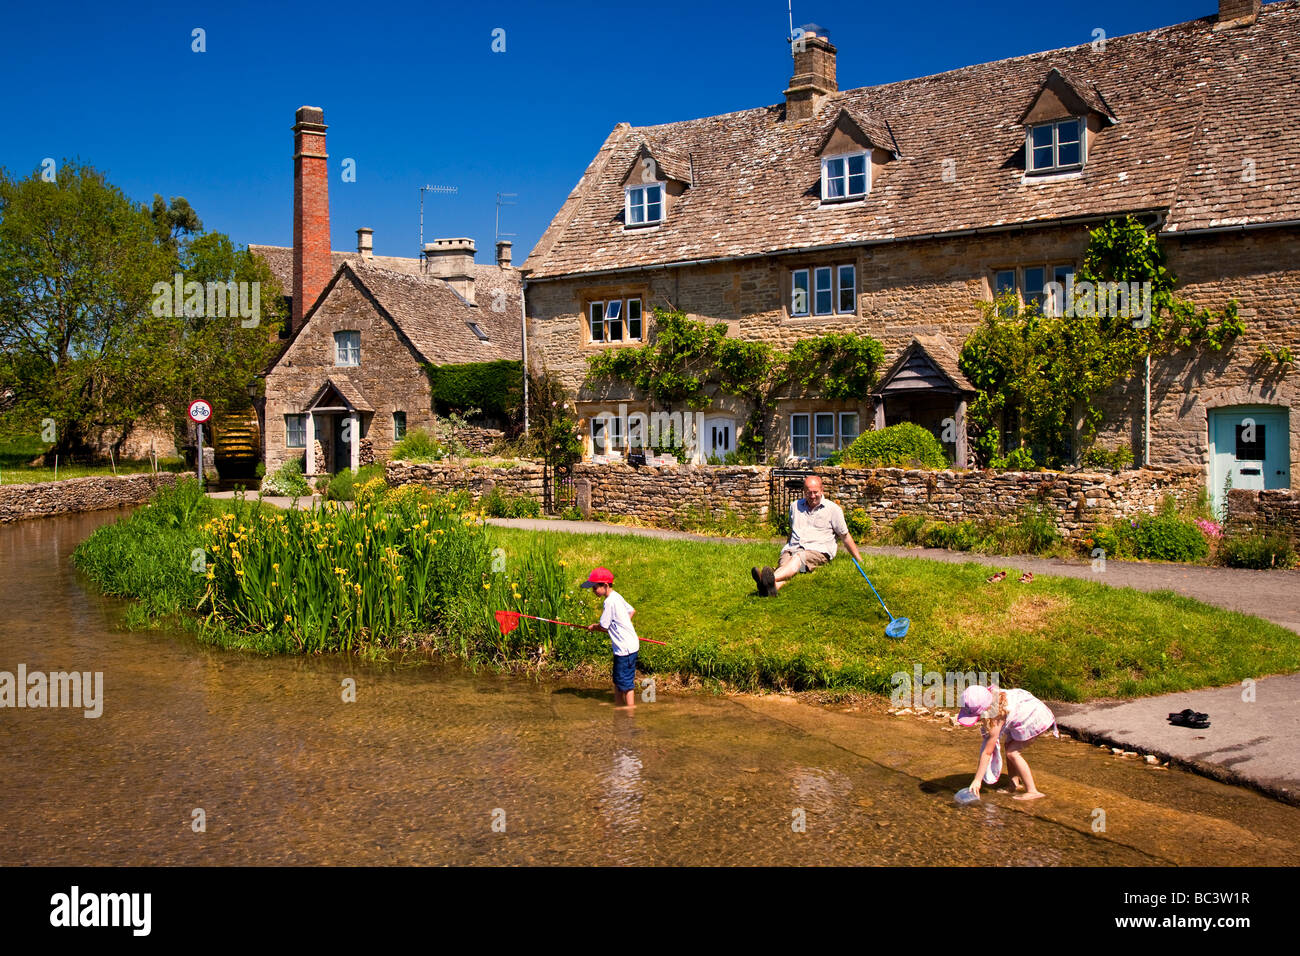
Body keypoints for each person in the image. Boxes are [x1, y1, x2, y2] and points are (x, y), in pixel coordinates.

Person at [752, 474, 863, 597]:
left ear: (822, 490)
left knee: (798, 558)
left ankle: (769, 579)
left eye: (815, 492)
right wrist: (787, 548)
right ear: (804, 492)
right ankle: (771, 587)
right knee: (787, 566)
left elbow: (845, 536)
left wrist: (860, 560)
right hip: (793, 548)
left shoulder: (833, 509)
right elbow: (791, 531)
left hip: (817, 551)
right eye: (808, 493)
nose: (812, 496)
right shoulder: (795, 506)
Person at [957, 684, 1058, 801]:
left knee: (1012, 752)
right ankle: (1013, 784)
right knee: (1009, 746)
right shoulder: (990, 696)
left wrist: (977, 780)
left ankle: (1032, 791)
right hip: (1027, 710)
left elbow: (987, 752)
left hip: (1035, 717)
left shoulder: (997, 716)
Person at [582, 566, 639, 708]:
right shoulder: (616, 596)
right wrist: (623, 624)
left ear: (605, 585)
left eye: (595, 588)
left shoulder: (609, 602)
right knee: (618, 679)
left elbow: (603, 626)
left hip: (624, 649)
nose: (593, 591)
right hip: (629, 645)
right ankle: (618, 705)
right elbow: (631, 611)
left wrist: (594, 627)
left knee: (626, 683)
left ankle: (630, 712)